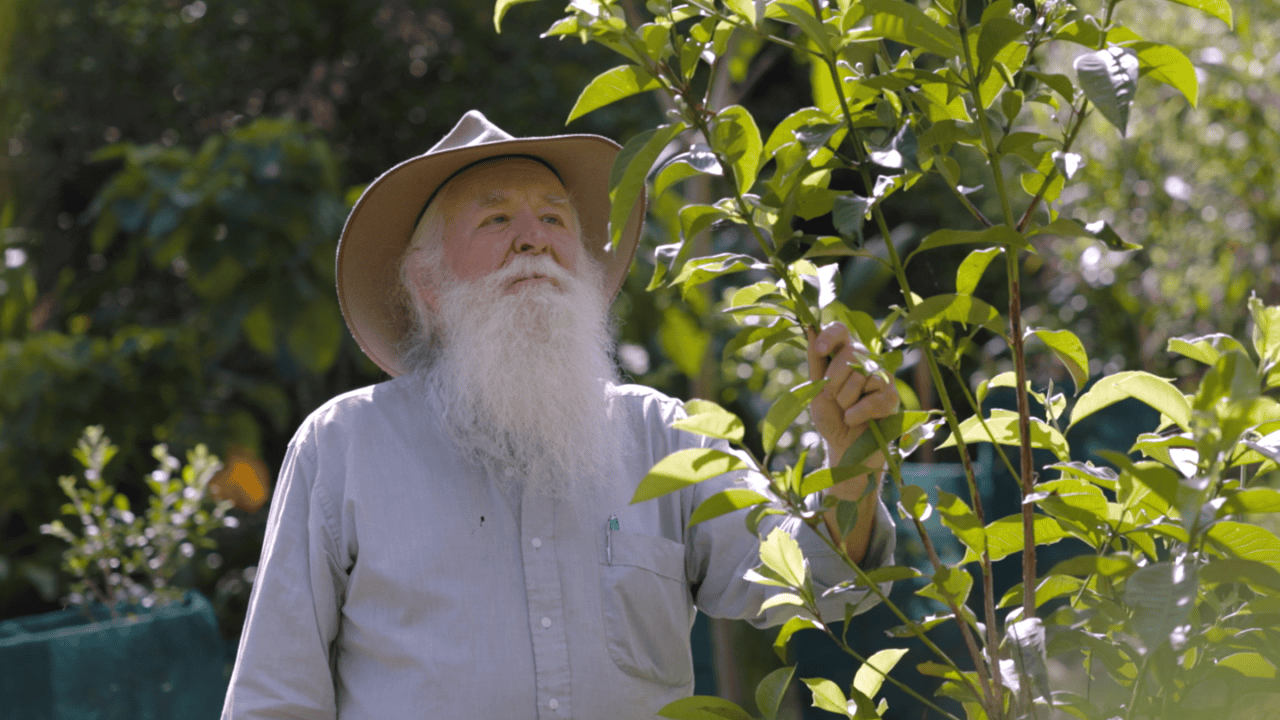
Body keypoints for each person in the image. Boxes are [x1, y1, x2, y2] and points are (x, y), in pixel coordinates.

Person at [221, 111, 899, 719]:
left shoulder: (664, 437)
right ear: (428, 285)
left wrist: (853, 461)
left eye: (554, 218)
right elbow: (275, 700)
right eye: (495, 220)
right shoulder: (344, 447)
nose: (532, 241)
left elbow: (821, 587)